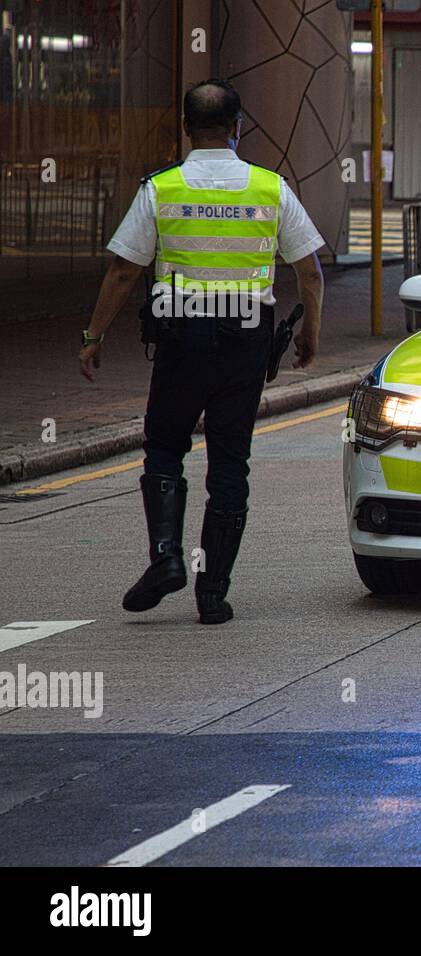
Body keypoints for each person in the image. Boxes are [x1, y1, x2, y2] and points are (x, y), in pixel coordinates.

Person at [78, 79, 326, 625]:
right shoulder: (270, 189)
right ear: (238, 128)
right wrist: (309, 334)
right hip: (246, 341)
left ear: (185, 128)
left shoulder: (161, 188)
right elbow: (308, 270)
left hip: (182, 337)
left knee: (166, 445)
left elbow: (124, 270)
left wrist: (93, 336)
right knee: (229, 462)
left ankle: (167, 558)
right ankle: (213, 592)